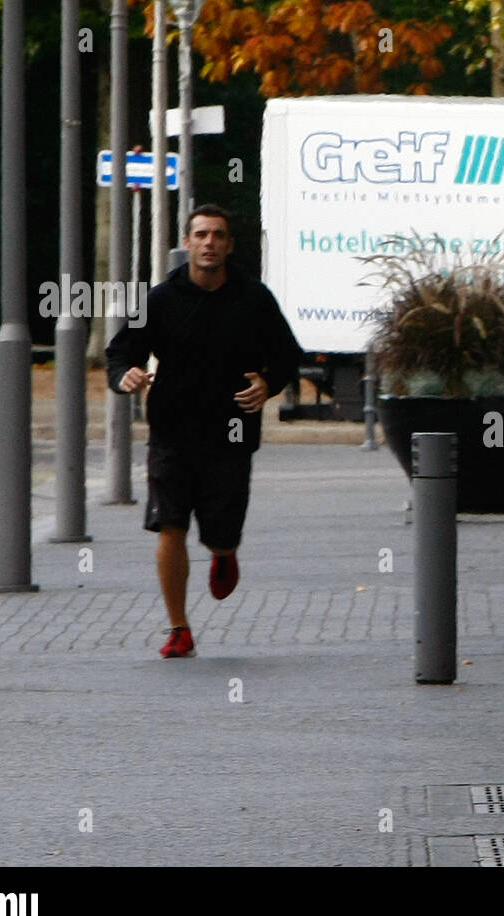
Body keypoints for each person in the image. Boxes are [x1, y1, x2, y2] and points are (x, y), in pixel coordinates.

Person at [106, 203, 302, 659]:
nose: (209, 243)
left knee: (220, 531)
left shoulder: (254, 298)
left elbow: (288, 354)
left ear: (229, 244)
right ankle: (179, 628)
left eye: (218, 235)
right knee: (168, 525)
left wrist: (268, 384)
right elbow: (120, 353)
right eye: (201, 235)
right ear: (187, 243)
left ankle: (223, 551)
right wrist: (126, 377)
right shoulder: (159, 300)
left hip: (231, 432)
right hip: (172, 431)